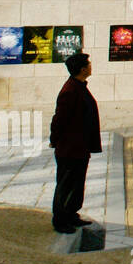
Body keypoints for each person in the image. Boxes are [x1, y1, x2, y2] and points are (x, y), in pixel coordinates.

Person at [49, 53, 101, 234]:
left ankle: (71, 214)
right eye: (88, 64)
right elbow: (59, 119)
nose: (90, 66)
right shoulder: (70, 91)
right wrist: (54, 140)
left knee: (77, 183)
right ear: (82, 69)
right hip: (69, 148)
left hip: (80, 146)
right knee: (66, 184)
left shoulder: (79, 86)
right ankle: (60, 219)